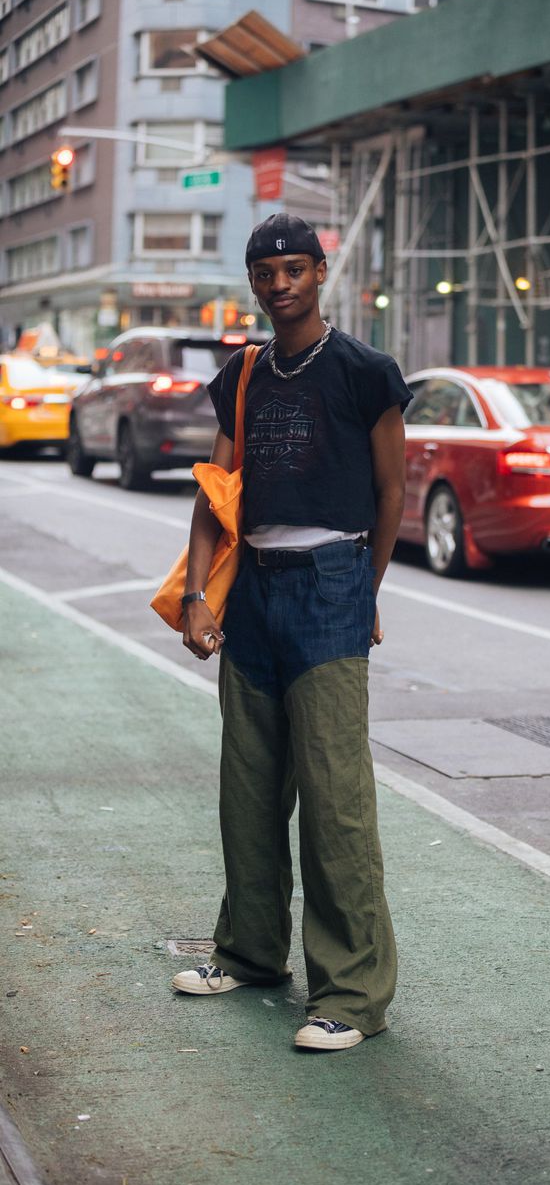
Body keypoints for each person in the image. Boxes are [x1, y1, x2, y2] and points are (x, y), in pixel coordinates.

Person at [170, 213, 410, 1051]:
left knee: (336, 802)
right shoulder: (243, 375)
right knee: (250, 786)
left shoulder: (363, 372)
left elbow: (391, 497)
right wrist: (198, 594)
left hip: (329, 585)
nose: (280, 286)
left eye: (294, 271)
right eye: (265, 273)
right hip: (254, 601)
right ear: (253, 282)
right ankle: (249, 951)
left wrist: (363, 591)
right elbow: (216, 492)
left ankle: (350, 991)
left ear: (320, 272)